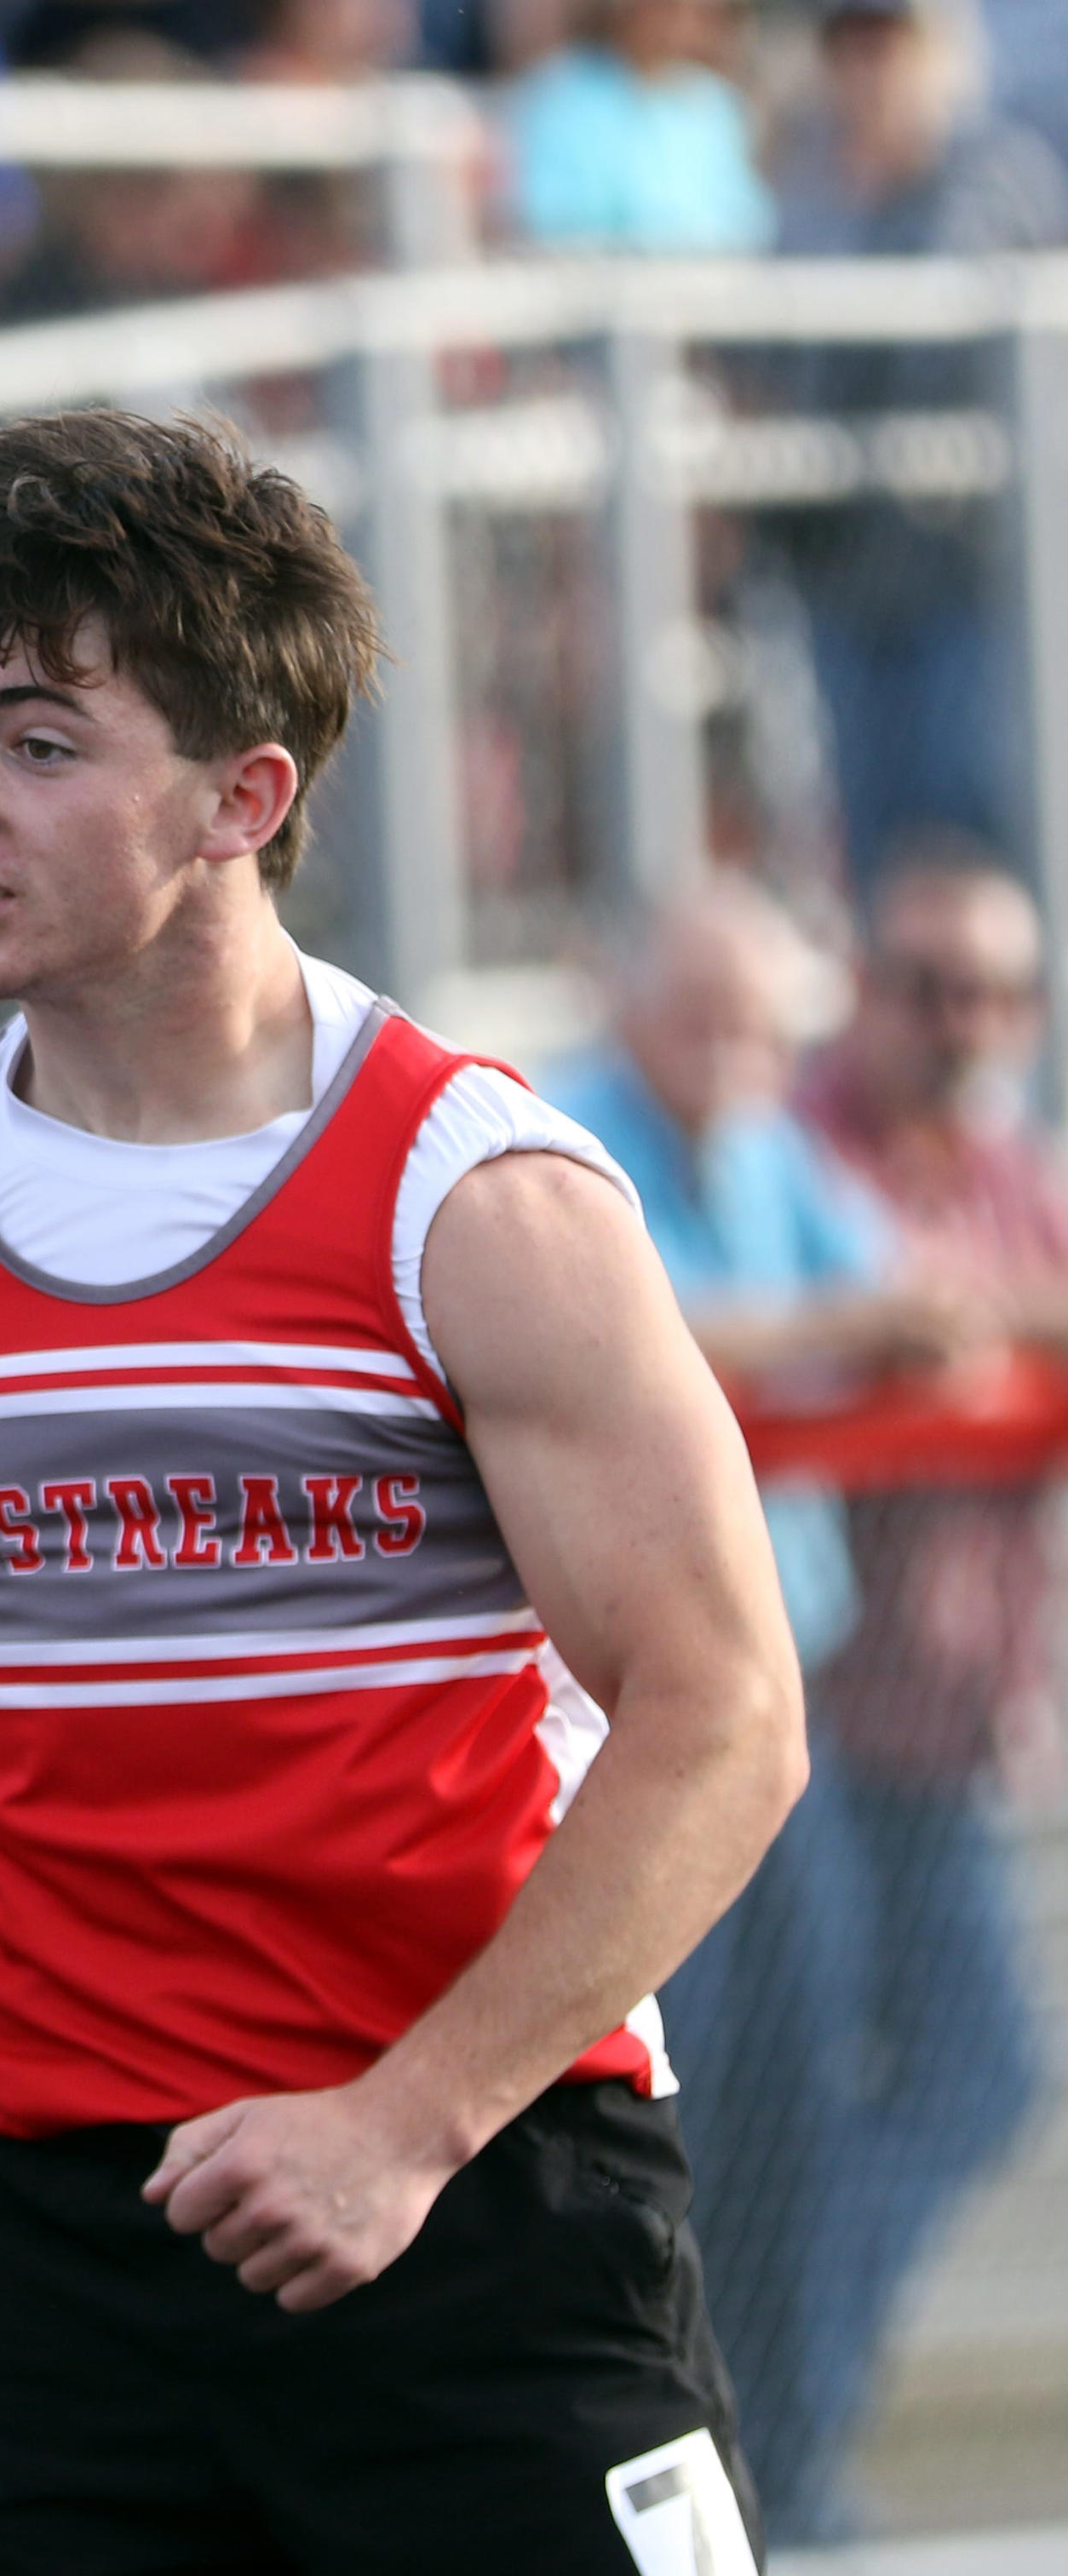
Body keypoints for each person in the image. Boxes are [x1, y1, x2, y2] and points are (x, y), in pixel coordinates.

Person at [0, 407, 807, 2573]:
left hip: (482, 2214)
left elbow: (726, 1719)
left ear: (246, 799)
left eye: (37, 740)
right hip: (65, 2260)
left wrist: (399, 2125)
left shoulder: (471, 1192)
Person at [541, 881, 977, 2544]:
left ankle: (774, 2455)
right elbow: (637, 1343)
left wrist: (887, 1320)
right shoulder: (561, 1144)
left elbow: (903, 1300)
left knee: (803, 2092)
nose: (736, 1051)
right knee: (684, 2109)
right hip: (617, 1736)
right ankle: (684, 2456)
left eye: (757, 1024)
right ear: (628, 1000)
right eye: (705, 1016)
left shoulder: (758, 1142)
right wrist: (853, 1326)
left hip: (771, 1716)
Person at [786, 852, 1064, 2532]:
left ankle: (792, 2411)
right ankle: (783, 2440)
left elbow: (989, 1316)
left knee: (977, 2071)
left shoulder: (1013, 1171)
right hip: (798, 1730)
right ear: (864, 992)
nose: (958, 1020)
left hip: (948, 1726)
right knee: (791, 2106)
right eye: (925, 984)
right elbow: (841, 1319)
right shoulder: (799, 1150)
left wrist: (981, 1320)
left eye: (991, 991)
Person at [767, 0, 1068, 904]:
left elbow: (944, 335)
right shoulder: (808, 191)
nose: (866, 70)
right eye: (847, 47)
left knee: (980, 837)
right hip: (846, 580)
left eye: (886, 44)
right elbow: (779, 364)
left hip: (973, 579)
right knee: (878, 852)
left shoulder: (995, 171)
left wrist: (893, 188)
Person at [502, 0, 772, 255]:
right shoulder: (560, 97)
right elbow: (552, 216)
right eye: (664, 8)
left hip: (705, 277)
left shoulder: (714, 103)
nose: (676, 23)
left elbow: (746, 217)